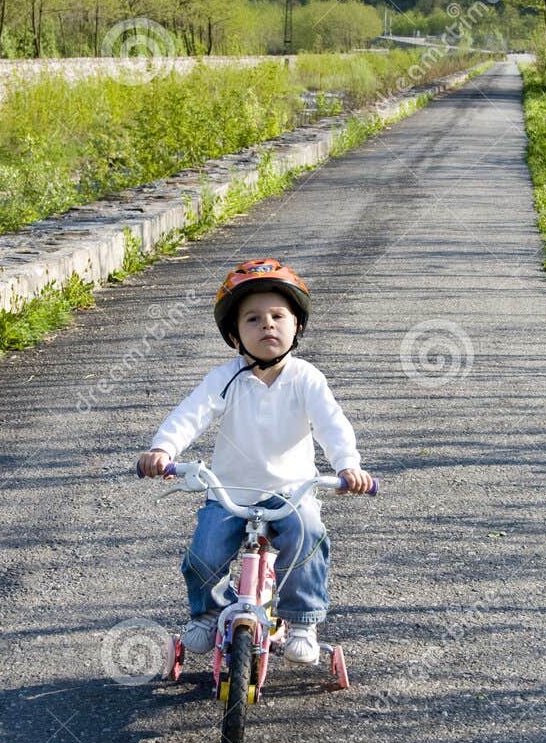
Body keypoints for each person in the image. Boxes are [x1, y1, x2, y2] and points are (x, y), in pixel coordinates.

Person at [137, 257, 374, 665]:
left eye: (278, 315)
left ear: (296, 326)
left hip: (291, 493)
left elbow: (332, 425)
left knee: (308, 536)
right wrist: (163, 450)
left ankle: (301, 621)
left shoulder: (306, 378)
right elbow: (190, 414)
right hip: (230, 491)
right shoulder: (225, 378)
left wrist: (347, 466)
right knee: (205, 552)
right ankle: (210, 613)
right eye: (253, 319)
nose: (267, 324)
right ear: (234, 335)